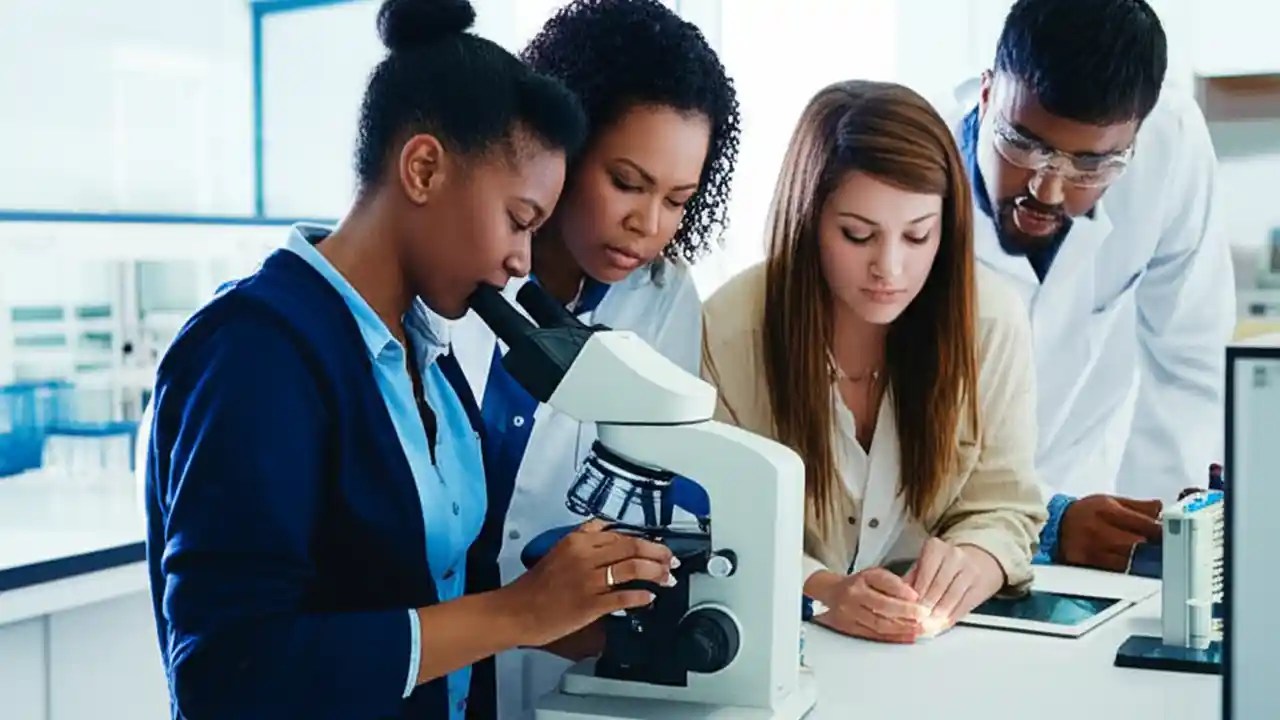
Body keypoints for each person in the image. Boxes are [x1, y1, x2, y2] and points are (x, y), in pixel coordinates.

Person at [140, 2, 676, 718]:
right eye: (518, 220)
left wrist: (568, 617)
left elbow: (428, 595)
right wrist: (517, 612)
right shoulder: (254, 354)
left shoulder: (425, 353)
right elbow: (228, 674)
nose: (521, 261)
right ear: (424, 169)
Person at [450, 0, 738, 716]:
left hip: (557, 671)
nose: (648, 225)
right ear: (564, 144)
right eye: (628, 183)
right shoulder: (454, 267)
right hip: (430, 651)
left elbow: (655, 485)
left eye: (678, 200)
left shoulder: (662, 297)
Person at [700, 80, 1047, 644]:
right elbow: (709, 524)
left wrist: (975, 561)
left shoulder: (991, 322)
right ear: (807, 220)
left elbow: (1005, 504)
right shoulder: (729, 332)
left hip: (936, 652)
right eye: (858, 235)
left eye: (918, 236)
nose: (890, 268)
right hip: (776, 648)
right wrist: (820, 592)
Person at [949, 0, 1235, 572]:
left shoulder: (1171, 147)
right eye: (1022, 144)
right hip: (941, 526)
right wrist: (1049, 521)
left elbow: (1189, 364)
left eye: (1090, 167)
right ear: (986, 93)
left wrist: (1163, 544)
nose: (1046, 192)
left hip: (1090, 507)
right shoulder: (909, 180)